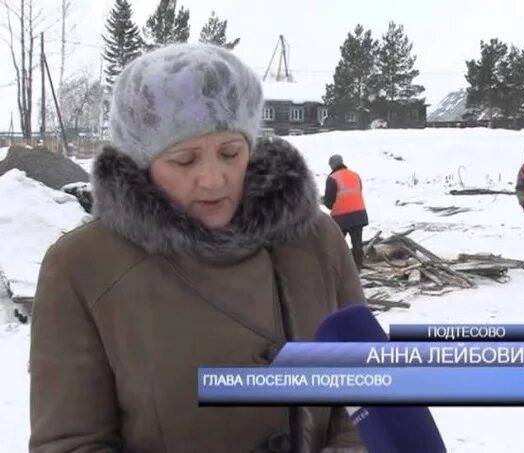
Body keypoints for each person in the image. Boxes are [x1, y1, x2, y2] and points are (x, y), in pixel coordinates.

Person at [29, 43, 367, 453]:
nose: (213, 179)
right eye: (185, 160)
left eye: (230, 153)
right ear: (142, 163)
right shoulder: (82, 266)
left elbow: (368, 397)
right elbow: (71, 442)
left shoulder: (316, 239)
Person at [323, 155, 369, 271]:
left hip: (341, 217)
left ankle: (337, 267)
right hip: (359, 214)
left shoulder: (332, 179)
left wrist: (322, 201)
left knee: (336, 244)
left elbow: (329, 202)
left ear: (332, 165)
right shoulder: (355, 175)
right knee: (357, 243)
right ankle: (358, 266)